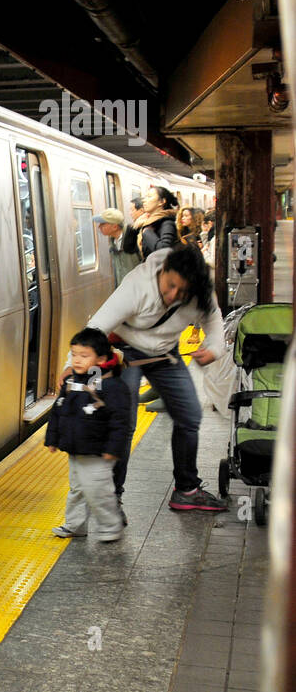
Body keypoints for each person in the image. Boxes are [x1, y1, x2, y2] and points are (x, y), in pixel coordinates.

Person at [72, 243, 227, 514]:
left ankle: (187, 490)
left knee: (190, 416)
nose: (174, 295)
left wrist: (213, 349)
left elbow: (214, 322)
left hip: (165, 354)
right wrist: (76, 373)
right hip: (124, 349)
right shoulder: (137, 285)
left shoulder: (200, 291)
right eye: (170, 286)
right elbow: (96, 327)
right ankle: (112, 498)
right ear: (163, 271)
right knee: (124, 422)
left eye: (182, 291)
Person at [46, 328, 132, 543]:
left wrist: (113, 449)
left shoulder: (112, 386)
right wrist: (53, 438)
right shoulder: (72, 382)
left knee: (99, 490)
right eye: (74, 354)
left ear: (101, 359)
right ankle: (75, 525)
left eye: (84, 356)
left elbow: (120, 421)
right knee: (77, 488)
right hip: (76, 449)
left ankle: (111, 526)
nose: (76, 360)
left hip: (98, 451)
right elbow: (59, 409)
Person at [94, 208, 139, 286]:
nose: (99, 227)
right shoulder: (113, 242)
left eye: (103, 224)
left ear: (115, 227)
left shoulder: (135, 239)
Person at [134, 186, 179, 258]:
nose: (144, 200)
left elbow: (165, 250)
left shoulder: (167, 223)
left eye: (149, 197)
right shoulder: (151, 222)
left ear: (161, 202)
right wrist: (136, 227)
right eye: (145, 197)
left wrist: (146, 231)